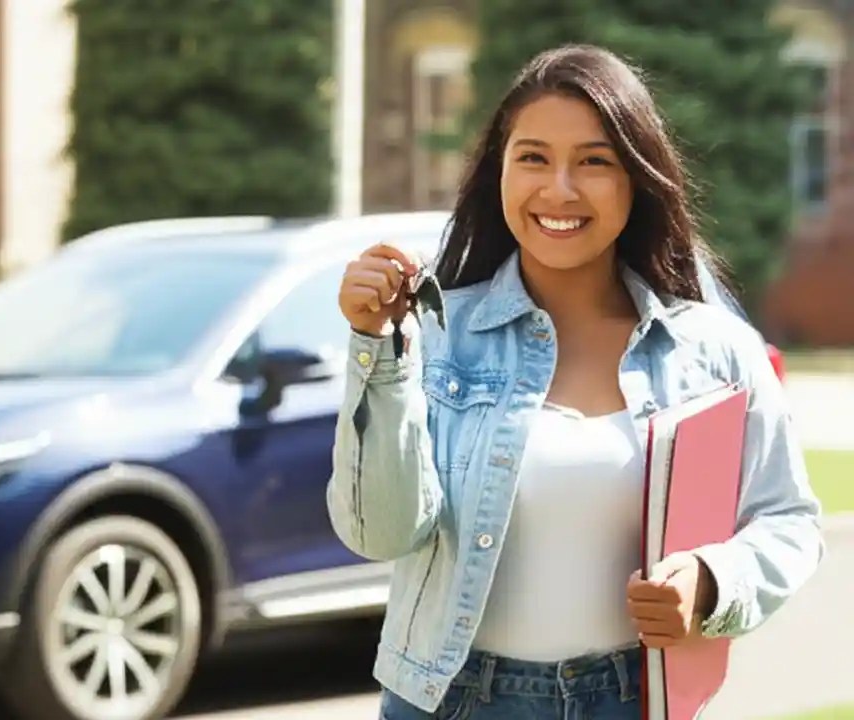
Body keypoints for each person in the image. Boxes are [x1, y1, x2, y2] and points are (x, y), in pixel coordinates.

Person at [328, 44, 824, 719]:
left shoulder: (713, 351)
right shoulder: (436, 333)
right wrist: (377, 348)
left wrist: (711, 582)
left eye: (594, 161)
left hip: (630, 699)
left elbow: (789, 520)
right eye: (533, 157)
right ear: (499, 172)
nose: (559, 190)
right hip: (449, 701)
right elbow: (381, 534)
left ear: (637, 178)